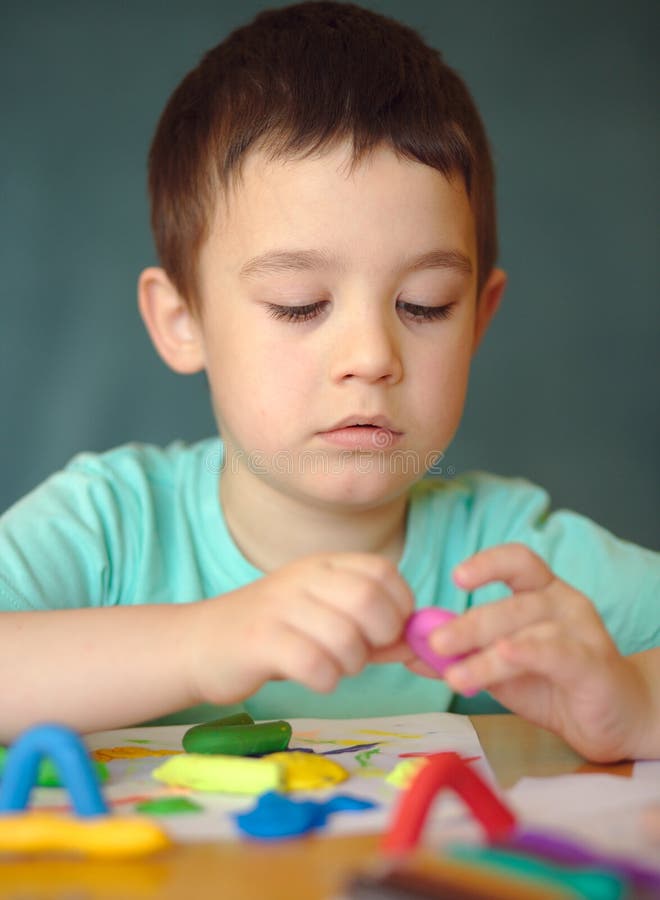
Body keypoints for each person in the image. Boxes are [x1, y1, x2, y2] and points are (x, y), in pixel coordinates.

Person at [0, 2, 657, 762]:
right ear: (183, 321)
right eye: (300, 305)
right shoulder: (111, 527)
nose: (371, 356)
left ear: (479, 317)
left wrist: (636, 702)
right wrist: (199, 643)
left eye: (424, 306)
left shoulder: (505, 561)